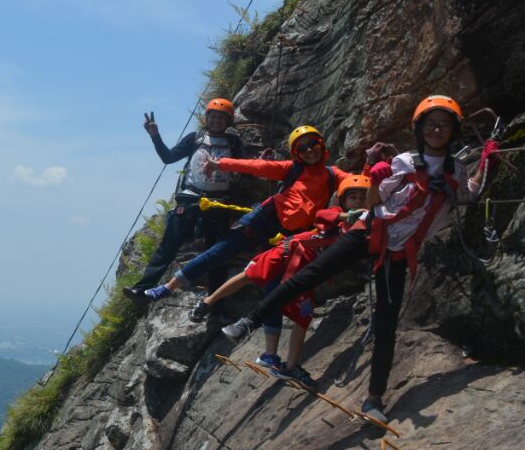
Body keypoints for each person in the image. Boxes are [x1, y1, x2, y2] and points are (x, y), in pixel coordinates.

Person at [224, 95, 498, 422]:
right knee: (309, 276)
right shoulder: (405, 162)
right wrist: (378, 179)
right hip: (368, 231)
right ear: (419, 128)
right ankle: (249, 322)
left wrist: (487, 161)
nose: (436, 130)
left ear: (453, 130)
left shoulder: (456, 169)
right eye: (430, 124)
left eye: (443, 124)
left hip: (398, 252)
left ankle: (374, 400)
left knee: (386, 323)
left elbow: (467, 194)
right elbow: (372, 201)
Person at [148, 125, 344, 319]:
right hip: (262, 219)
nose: (309, 150)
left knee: (273, 281)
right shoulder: (291, 169)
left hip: (287, 235)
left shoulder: (332, 175)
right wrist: (220, 163)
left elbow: (354, 182)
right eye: (302, 148)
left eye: (312, 144)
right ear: (296, 153)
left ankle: (256, 331)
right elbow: (256, 166)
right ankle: (168, 287)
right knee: (219, 251)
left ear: (321, 144)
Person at [201, 174, 372, 389]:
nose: (358, 202)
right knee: (251, 275)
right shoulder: (338, 214)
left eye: (363, 198)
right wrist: (345, 216)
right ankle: (209, 302)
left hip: (306, 270)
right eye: (353, 197)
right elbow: (322, 215)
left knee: (303, 315)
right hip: (288, 251)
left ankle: (290, 366)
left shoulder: (364, 226)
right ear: (343, 200)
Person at [121, 99, 245, 302]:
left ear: (228, 121)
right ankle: (141, 290)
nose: (216, 121)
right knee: (168, 246)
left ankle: (215, 304)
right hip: (190, 200)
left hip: (218, 204)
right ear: (206, 118)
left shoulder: (234, 142)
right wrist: (155, 136)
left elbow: (243, 169)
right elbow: (168, 157)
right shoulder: (195, 138)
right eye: (212, 116)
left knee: (216, 254)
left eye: (221, 118)